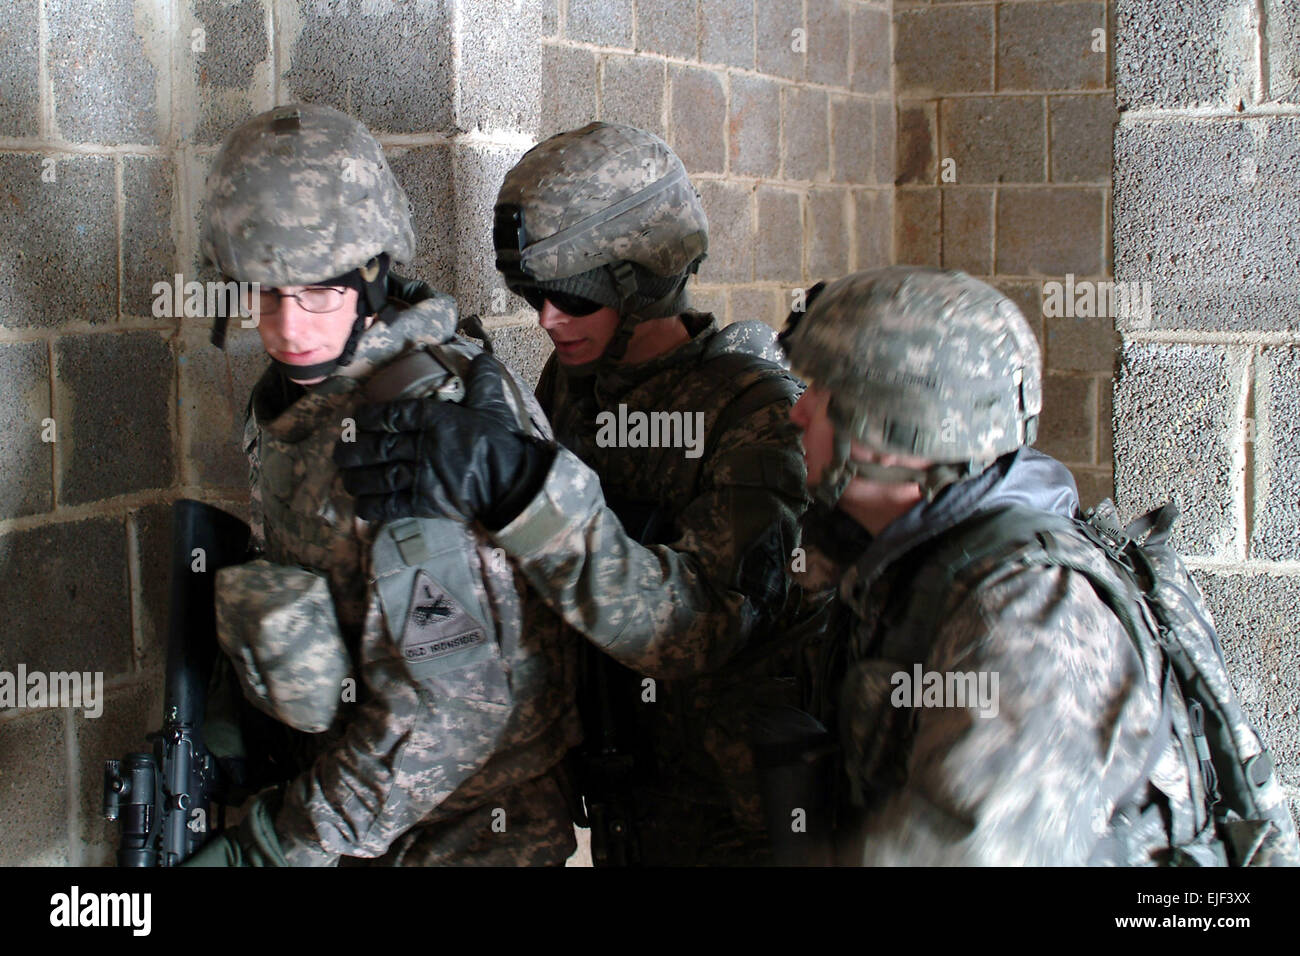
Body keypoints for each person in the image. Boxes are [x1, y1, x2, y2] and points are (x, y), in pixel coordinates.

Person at [336, 122, 814, 865]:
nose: (547, 320)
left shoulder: (755, 411)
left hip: (731, 825)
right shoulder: (576, 385)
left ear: (643, 282)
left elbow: (707, 625)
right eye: (533, 295)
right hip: (627, 798)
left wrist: (525, 489)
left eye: (571, 297)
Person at [781, 265, 1300, 866]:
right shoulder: (907, 558)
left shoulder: (1030, 615)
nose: (797, 413)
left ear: (894, 427)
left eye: (820, 392)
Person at [188, 103, 580, 866]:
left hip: (469, 834)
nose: (289, 326)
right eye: (264, 293)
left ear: (372, 279)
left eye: (319, 292)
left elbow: (453, 714)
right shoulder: (301, 394)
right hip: (368, 811)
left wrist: (273, 846)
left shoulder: (420, 426)